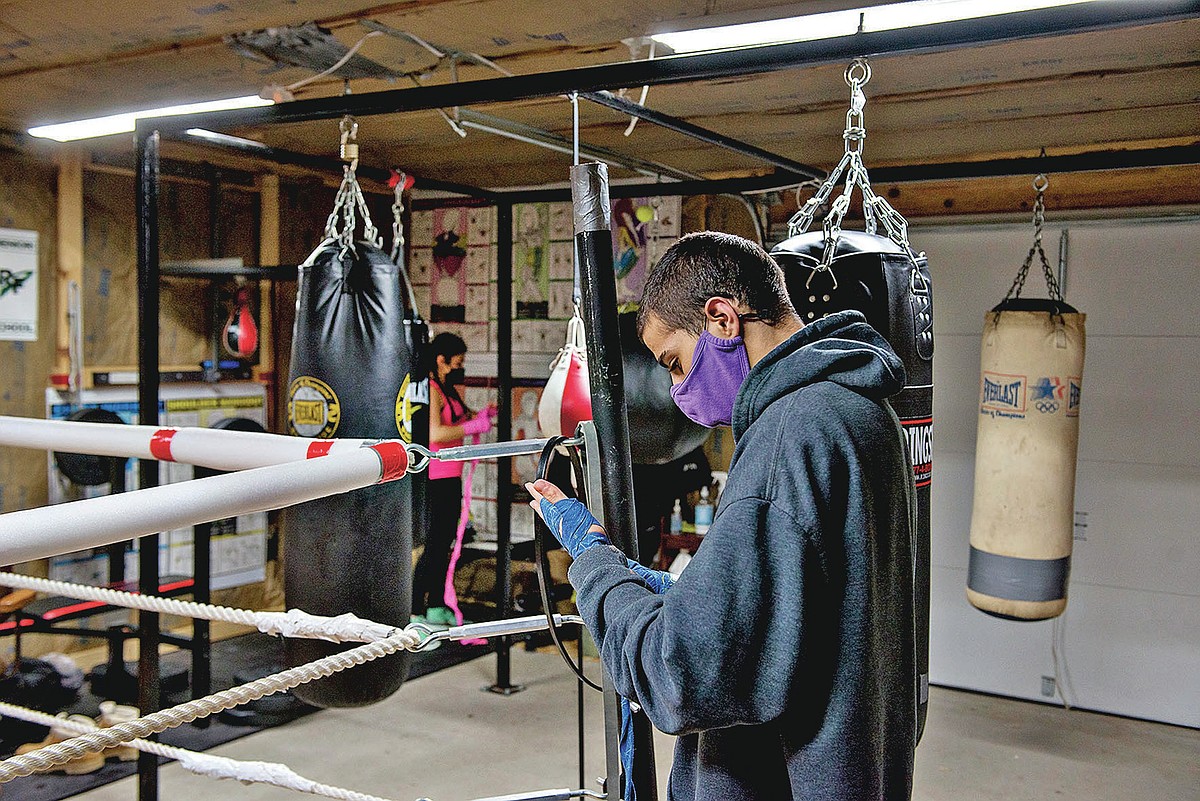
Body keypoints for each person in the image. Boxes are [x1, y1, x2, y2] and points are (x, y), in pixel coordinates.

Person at [526, 231, 918, 800]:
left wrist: (594, 562)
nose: (676, 387)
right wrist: (670, 588)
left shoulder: (788, 438)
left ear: (721, 319)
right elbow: (814, 600)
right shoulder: (863, 410)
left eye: (676, 361)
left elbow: (681, 671)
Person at [412, 332, 496, 626]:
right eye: (457, 362)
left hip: (452, 475)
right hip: (436, 477)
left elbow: (460, 418)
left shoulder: (448, 389)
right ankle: (415, 611)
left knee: (445, 543)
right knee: (435, 545)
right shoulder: (432, 389)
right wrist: (474, 425)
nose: (460, 367)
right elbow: (434, 434)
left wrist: (482, 415)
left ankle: (436, 604)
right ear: (441, 360)